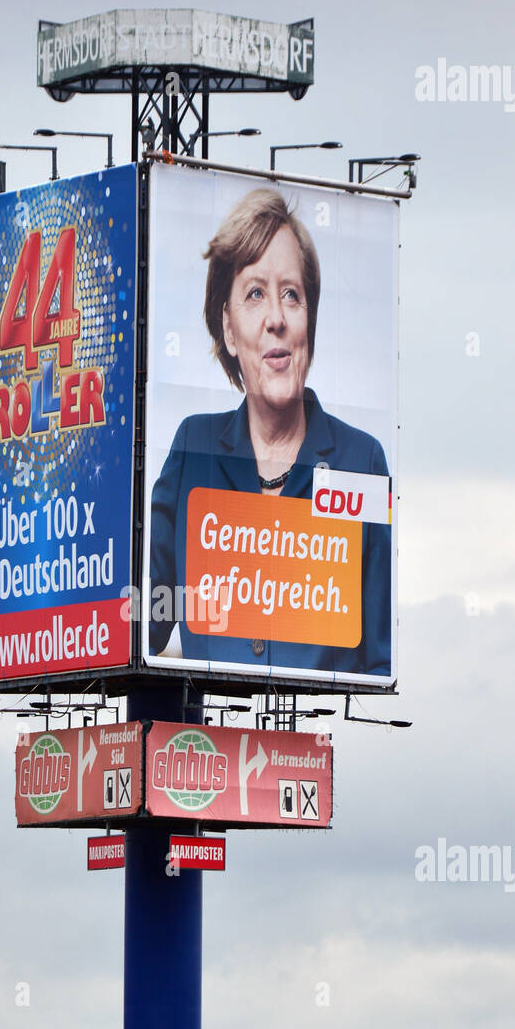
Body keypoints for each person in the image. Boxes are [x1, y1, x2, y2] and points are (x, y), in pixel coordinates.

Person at [147, 186, 391, 677]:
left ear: (310, 320)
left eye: (291, 296)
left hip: (314, 742)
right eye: (255, 294)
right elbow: (145, 624)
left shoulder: (361, 462)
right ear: (229, 329)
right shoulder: (192, 449)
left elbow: (378, 659)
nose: (276, 318)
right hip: (207, 744)